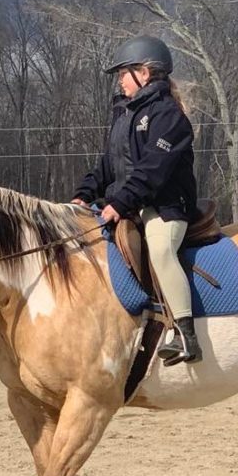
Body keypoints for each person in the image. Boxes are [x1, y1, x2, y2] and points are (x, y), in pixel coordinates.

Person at [72, 35, 201, 365]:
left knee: (160, 250)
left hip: (166, 207)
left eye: (122, 74)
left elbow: (152, 171)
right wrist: (83, 194)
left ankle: (185, 334)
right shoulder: (124, 114)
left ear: (143, 73)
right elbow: (107, 163)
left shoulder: (170, 117)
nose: (119, 81)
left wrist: (120, 203)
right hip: (132, 203)